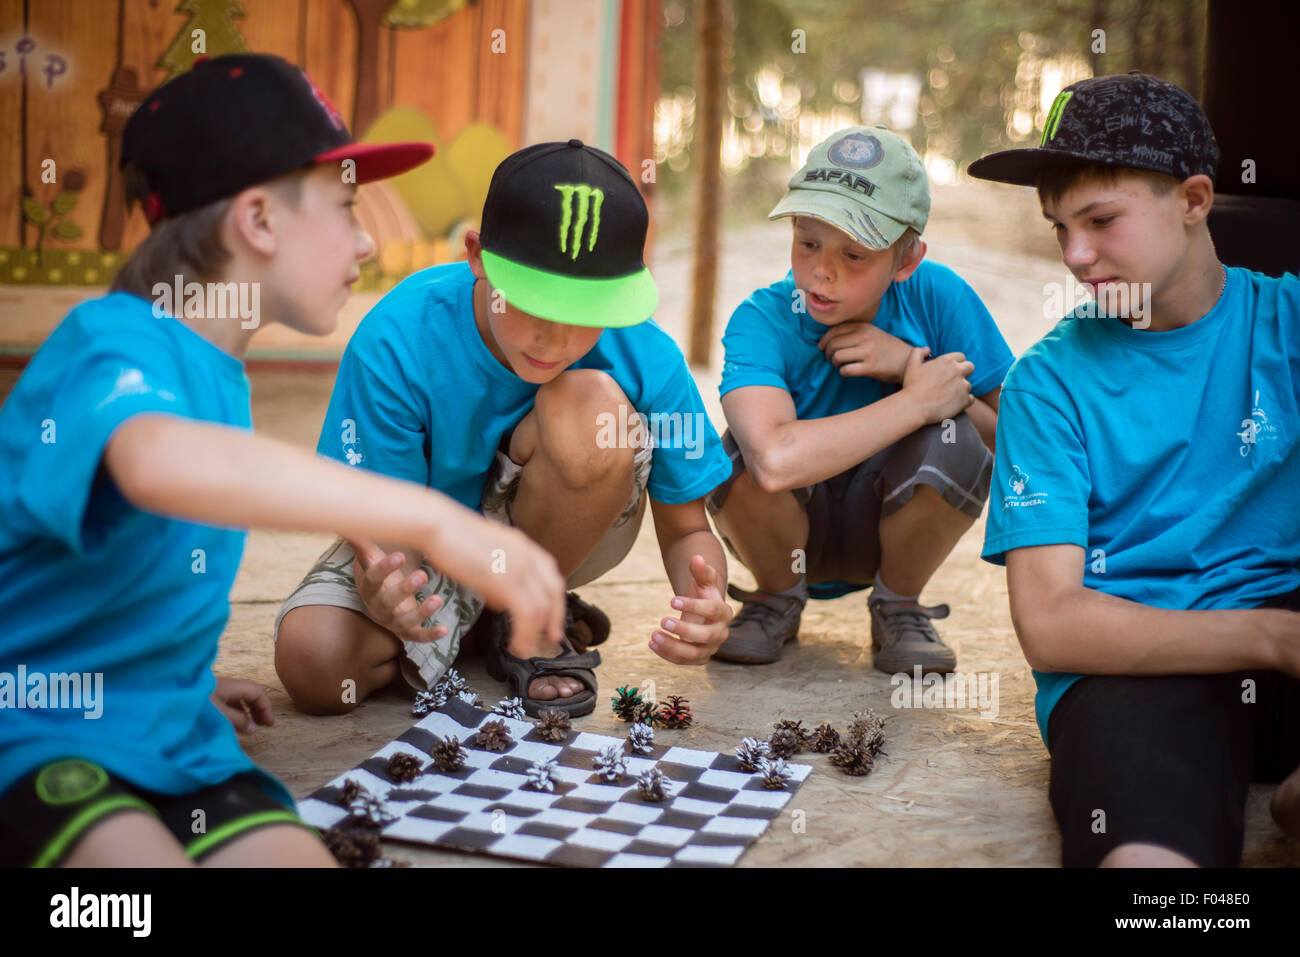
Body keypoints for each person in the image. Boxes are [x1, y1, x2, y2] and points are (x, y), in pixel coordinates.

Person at [0, 53, 568, 868]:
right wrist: (435, 521)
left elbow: (120, 574)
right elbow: (157, 460)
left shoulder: (212, 369)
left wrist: (177, 677)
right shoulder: (111, 344)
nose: (368, 238)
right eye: (343, 208)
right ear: (259, 222)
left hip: (174, 741)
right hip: (38, 735)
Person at [274, 139, 736, 718]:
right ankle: (482, 621)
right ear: (477, 255)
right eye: (534, 304)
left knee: (591, 404)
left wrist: (707, 599)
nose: (557, 339)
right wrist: (383, 588)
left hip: (558, 529)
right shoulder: (397, 335)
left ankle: (528, 611)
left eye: (586, 314)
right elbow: (380, 521)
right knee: (314, 664)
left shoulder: (647, 352)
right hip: (422, 537)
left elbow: (688, 528)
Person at [970, 72, 1300, 867]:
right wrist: (1272, 637)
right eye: (1059, 228)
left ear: (1193, 199)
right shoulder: (1047, 385)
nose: (1077, 257)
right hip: (1139, 658)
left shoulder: (1288, 322)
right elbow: (1050, 622)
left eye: (1101, 220)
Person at [707, 126, 1012, 671]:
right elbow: (773, 462)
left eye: (854, 253)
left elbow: (1020, 436)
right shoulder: (762, 319)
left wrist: (904, 364)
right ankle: (776, 595)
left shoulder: (940, 299)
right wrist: (916, 398)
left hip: (894, 524)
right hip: (791, 532)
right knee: (738, 451)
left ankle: (898, 601)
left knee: (958, 438)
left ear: (905, 260)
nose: (823, 269)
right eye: (808, 242)